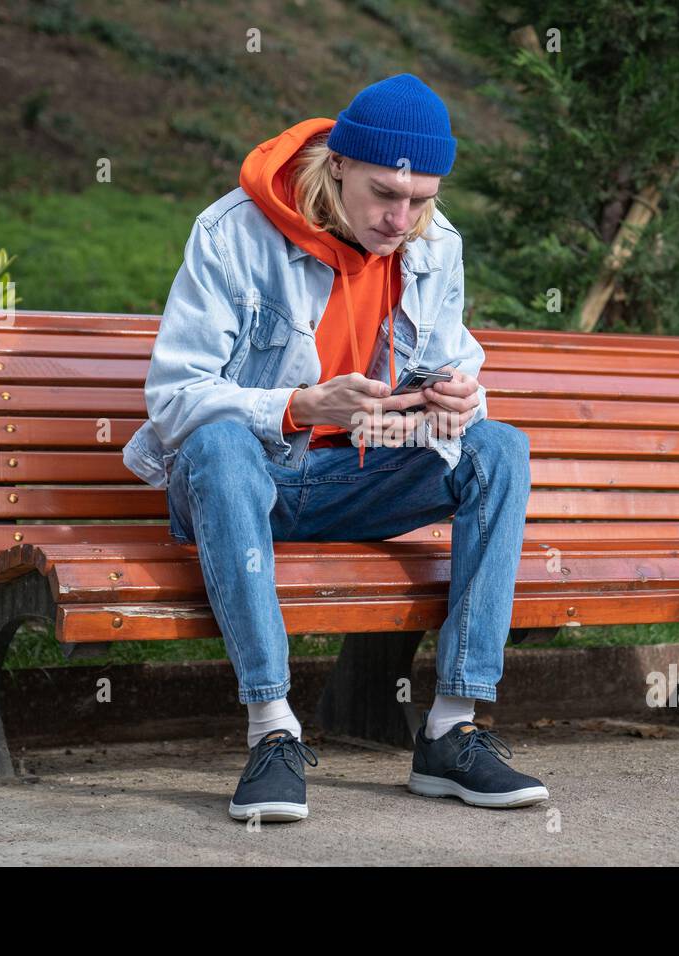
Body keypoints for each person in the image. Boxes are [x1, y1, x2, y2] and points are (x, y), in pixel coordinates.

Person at [122, 73, 547, 822]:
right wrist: (295, 406)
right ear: (339, 163)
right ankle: (272, 732)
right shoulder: (233, 234)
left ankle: (453, 728)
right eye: (387, 194)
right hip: (245, 485)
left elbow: (452, 359)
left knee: (499, 448)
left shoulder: (433, 244)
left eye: (421, 200)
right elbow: (174, 399)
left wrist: (457, 395)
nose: (402, 218)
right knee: (219, 447)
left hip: (357, 477)